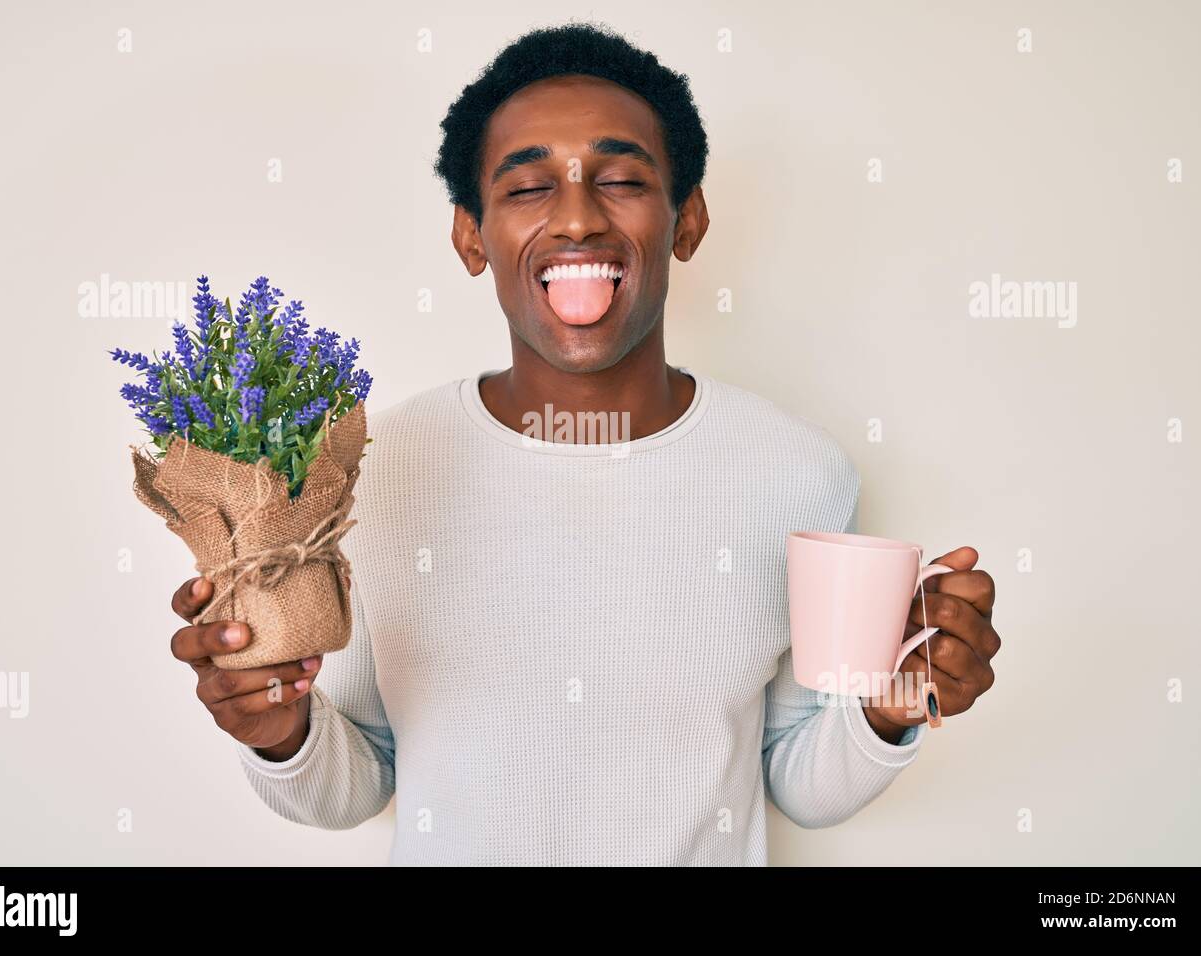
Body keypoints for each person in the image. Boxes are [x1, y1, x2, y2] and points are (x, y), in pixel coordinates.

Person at [168, 22, 1001, 865]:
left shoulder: (797, 473)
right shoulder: (371, 470)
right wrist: (279, 730)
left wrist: (894, 703)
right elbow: (360, 779)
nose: (576, 217)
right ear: (470, 235)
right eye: (528, 187)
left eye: (622, 178)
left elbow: (793, 776)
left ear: (688, 219)